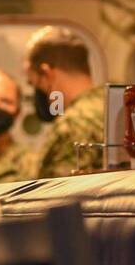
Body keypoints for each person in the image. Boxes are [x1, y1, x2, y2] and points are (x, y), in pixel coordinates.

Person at [25, 26, 106, 178]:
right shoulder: (120, 107)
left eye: (34, 83)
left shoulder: (72, 124)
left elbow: (57, 196)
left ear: (48, 74)